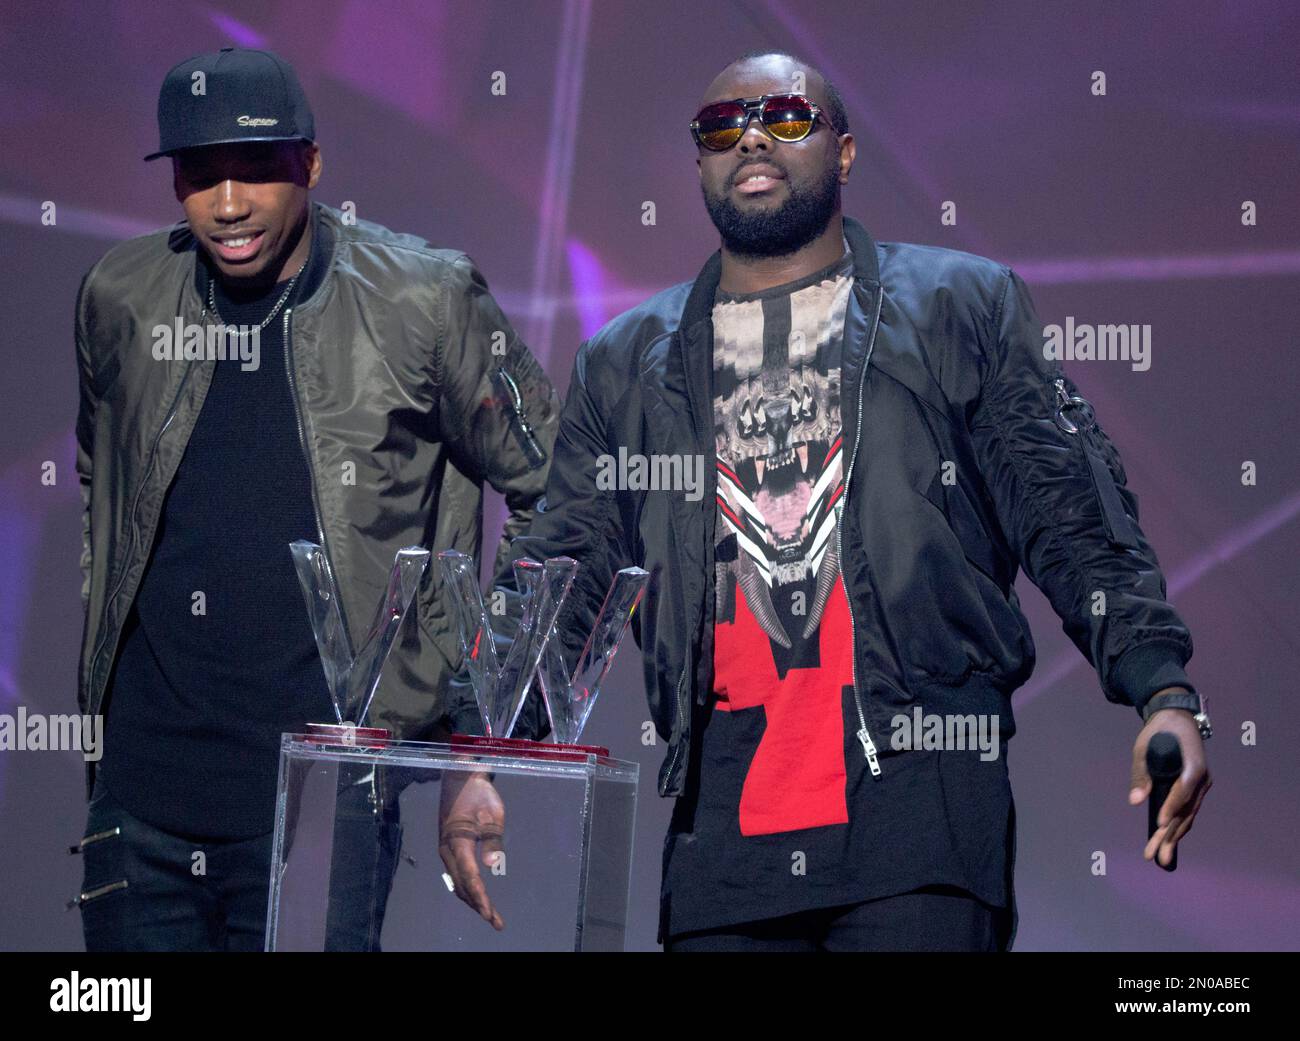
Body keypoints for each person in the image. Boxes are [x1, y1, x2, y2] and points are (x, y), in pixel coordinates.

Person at [439, 50, 1212, 952]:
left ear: (844, 152)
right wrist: (481, 747)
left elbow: (1069, 512)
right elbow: (562, 574)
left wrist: (1162, 688)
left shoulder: (957, 307)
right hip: (722, 840)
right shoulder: (627, 363)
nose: (753, 136)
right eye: (723, 127)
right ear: (698, 163)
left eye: (786, 117)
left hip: (918, 817)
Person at [71, 47, 558, 950]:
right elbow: (104, 492)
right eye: (198, 173)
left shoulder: (424, 300)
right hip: (139, 799)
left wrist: (476, 736)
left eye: (256, 169)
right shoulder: (121, 297)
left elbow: (557, 495)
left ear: (313, 163)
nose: (227, 204)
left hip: (324, 798)